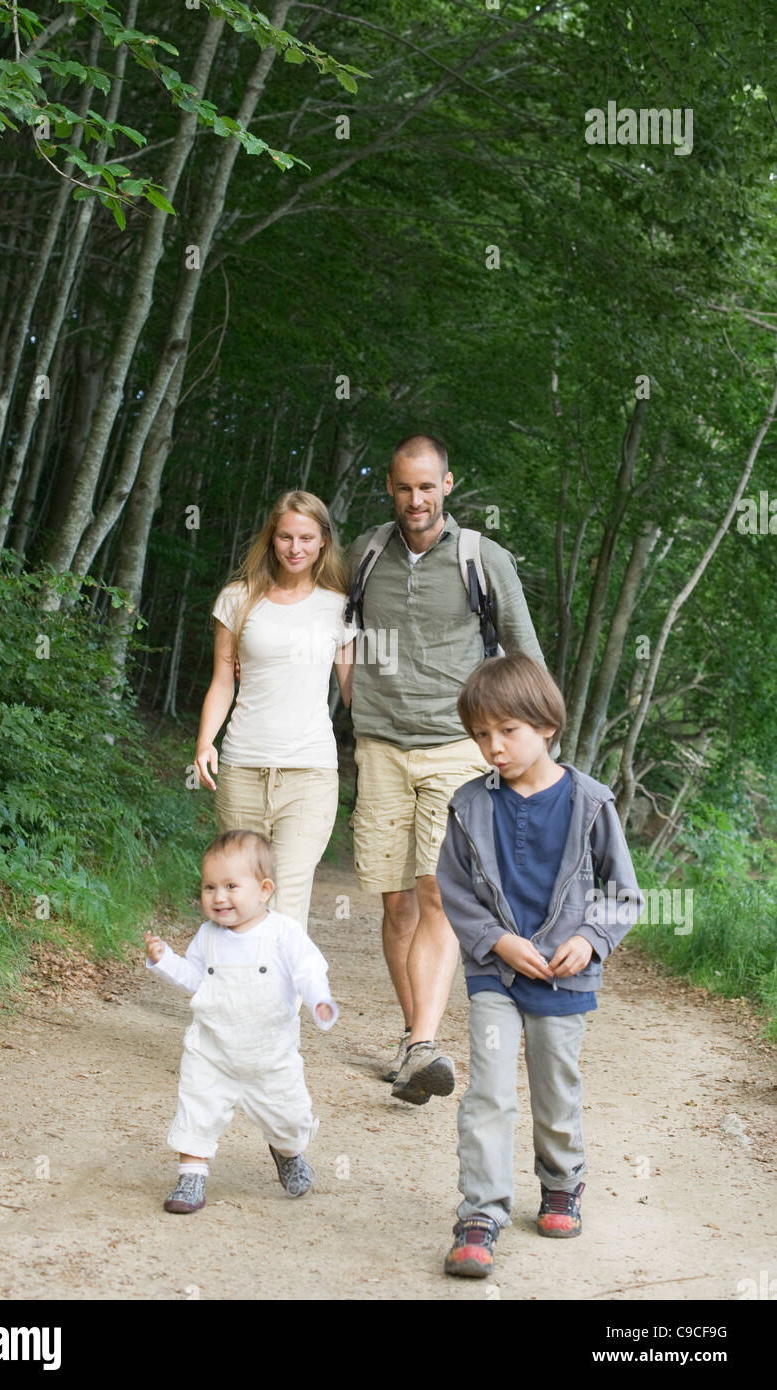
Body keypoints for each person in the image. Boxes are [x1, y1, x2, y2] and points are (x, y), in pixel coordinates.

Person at [347, 434, 543, 1104]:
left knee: (435, 892)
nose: (415, 500)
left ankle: (425, 1041)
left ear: (447, 485)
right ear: (390, 490)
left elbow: (522, 653)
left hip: (454, 747)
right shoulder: (364, 554)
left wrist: (535, 753)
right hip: (378, 745)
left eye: (426, 486)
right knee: (395, 899)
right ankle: (411, 1041)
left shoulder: (480, 558)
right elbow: (327, 623)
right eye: (403, 487)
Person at [436, 655, 642, 1276]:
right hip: (496, 976)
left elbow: (623, 893)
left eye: (508, 732)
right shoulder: (469, 805)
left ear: (547, 725)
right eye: (480, 735)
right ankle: (481, 1212)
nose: (493, 747)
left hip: (564, 975)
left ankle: (561, 1181)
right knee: (489, 1092)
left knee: (556, 1091)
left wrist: (590, 938)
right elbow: (455, 890)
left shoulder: (590, 802)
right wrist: (496, 941)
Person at [144, 829, 338, 1212]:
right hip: (212, 1051)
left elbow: (308, 971)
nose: (218, 897)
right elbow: (196, 980)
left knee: (291, 1119)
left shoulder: (284, 933)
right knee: (196, 1110)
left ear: (264, 889)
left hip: (270, 1057)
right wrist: (165, 959)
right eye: (209, 887)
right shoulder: (207, 936)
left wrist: (319, 1000)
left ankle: (288, 1153)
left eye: (231, 886)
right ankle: (191, 1178)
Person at [193, 491, 355, 932]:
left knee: (285, 894)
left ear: (323, 540)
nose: (295, 548)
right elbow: (223, 679)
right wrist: (206, 740)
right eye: (285, 536)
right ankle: (235, 994)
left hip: (310, 775)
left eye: (306, 537)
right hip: (243, 765)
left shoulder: (339, 607)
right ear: (272, 537)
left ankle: (281, 1002)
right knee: (240, 893)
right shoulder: (237, 598)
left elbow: (355, 691)